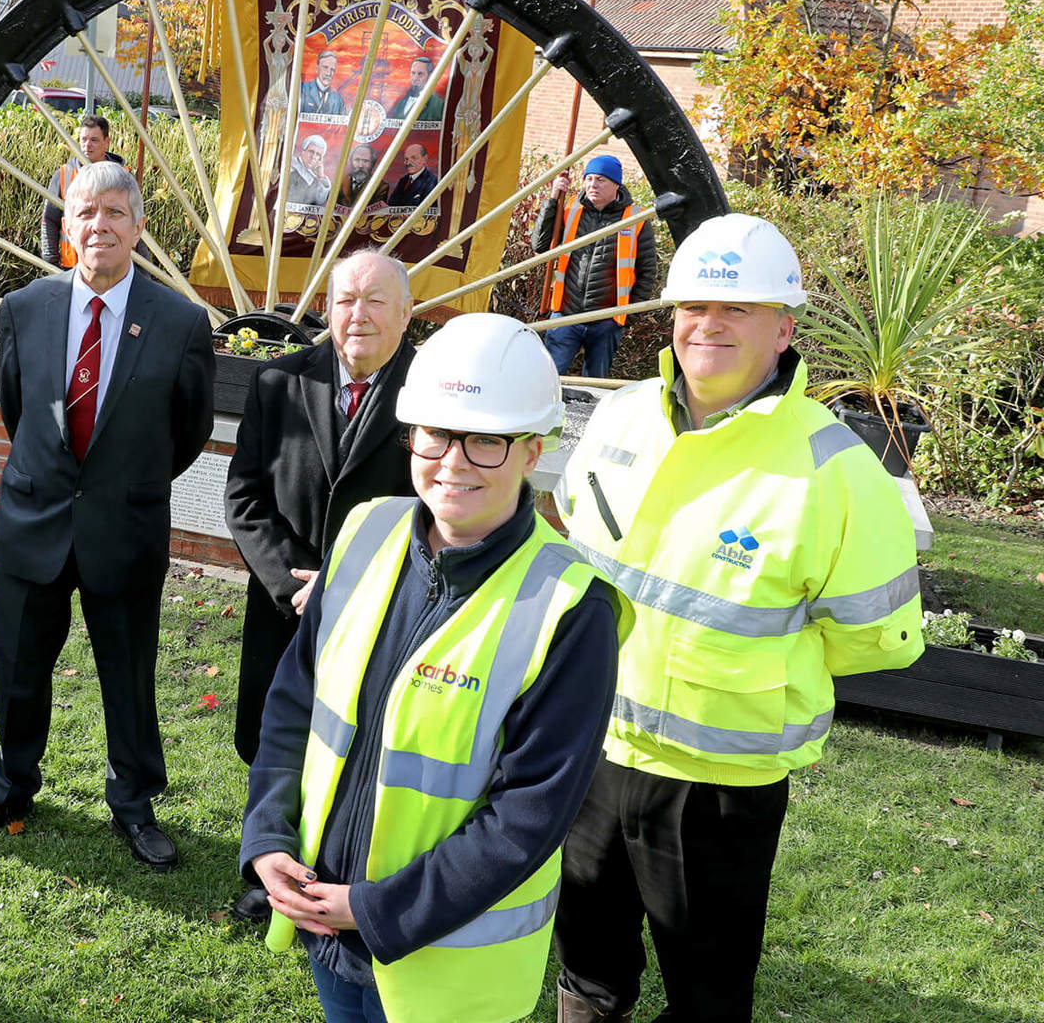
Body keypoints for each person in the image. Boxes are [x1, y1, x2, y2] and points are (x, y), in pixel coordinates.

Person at [552, 214, 924, 1023]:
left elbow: (873, 637)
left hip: (717, 783)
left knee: (707, 990)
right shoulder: (620, 421)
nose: (708, 326)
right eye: (694, 307)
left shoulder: (837, 469)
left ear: (784, 327)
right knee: (587, 968)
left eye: (738, 310)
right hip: (591, 745)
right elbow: (571, 531)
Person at [242, 312, 626, 1023]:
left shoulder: (571, 608)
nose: (452, 462)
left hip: (446, 965)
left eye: (485, 441)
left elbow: (527, 817)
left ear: (531, 450)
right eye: (436, 434)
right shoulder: (364, 533)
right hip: (329, 928)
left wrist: (377, 908)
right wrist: (268, 835)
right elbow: (297, 704)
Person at [0, 161, 215, 870]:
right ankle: (11, 786)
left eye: (113, 214)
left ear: (137, 227)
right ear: (67, 227)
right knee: (18, 669)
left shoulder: (181, 322)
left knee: (129, 677)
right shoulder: (26, 307)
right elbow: (20, 412)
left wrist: (124, 482)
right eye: (85, 213)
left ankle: (133, 804)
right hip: (34, 520)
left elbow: (187, 431)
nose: (99, 226)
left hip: (123, 530)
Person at [224, 250, 417, 921]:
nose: (357, 315)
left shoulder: (431, 395)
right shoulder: (277, 382)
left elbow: (438, 511)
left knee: (357, 742)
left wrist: (349, 584)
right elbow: (245, 497)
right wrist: (291, 583)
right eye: (344, 301)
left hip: (388, 609)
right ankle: (267, 872)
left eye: (374, 301)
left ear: (406, 313)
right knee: (275, 736)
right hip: (285, 607)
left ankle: (342, 878)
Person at [533, 154, 658, 379]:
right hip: (565, 315)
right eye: (588, 179)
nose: (592, 185)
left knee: (593, 387)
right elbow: (540, 245)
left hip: (606, 321)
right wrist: (553, 199)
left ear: (616, 185)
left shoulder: (635, 219)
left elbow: (647, 273)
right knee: (547, 380)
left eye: (600, 179)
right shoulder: (570, 209)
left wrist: (626, 317)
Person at [40, 115, 125, 267]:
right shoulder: (64, 175)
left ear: (107, 142)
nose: (87, 145)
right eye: (83, 139)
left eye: (94, 140)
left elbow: (136, 220)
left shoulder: (123, 177)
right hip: (73, 265)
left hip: (113, 267)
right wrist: (50, 258)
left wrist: (143, 269)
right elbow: (49, 219)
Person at [387, 56, 445, 121]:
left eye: (420, 74)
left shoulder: (437, 103)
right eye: (413, 73)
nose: (415, 78)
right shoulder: (401, 102)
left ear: (430, 76)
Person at [386, 143, 438, 209]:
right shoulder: (403, 181)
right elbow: (391, 204)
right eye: (406, 159)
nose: (408, 163)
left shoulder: (431, 182)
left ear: (425, 159)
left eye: (413, 158)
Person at [288, 134, 334, 209]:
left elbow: (320, 201)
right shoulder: (290, 167)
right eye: (311, 152)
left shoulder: (315, 175)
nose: (313, 157)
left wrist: (321, 176)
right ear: (303, 151)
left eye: (318, 154)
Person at [301, 52, 347, 116]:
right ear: (317, 68)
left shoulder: (338, 101)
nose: (328, 73)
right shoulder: (302, 89)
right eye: (325, 67)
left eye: (332, 70)